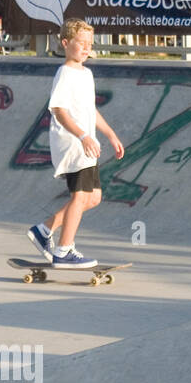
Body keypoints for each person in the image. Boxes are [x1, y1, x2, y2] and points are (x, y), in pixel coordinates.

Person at [26, 20, 125, 270]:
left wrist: (111, 134)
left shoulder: (86, 73)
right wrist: (83, 136)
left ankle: (44, 230)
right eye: (81, 43)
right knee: (80, 196)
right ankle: (64, 250)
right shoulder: (65, 73)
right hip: (72, 143)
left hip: (86, 144)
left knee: (93, 198)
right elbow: (59, 110)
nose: (86, 48)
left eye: (89, 44)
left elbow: (90, 110)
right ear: (66, 43)